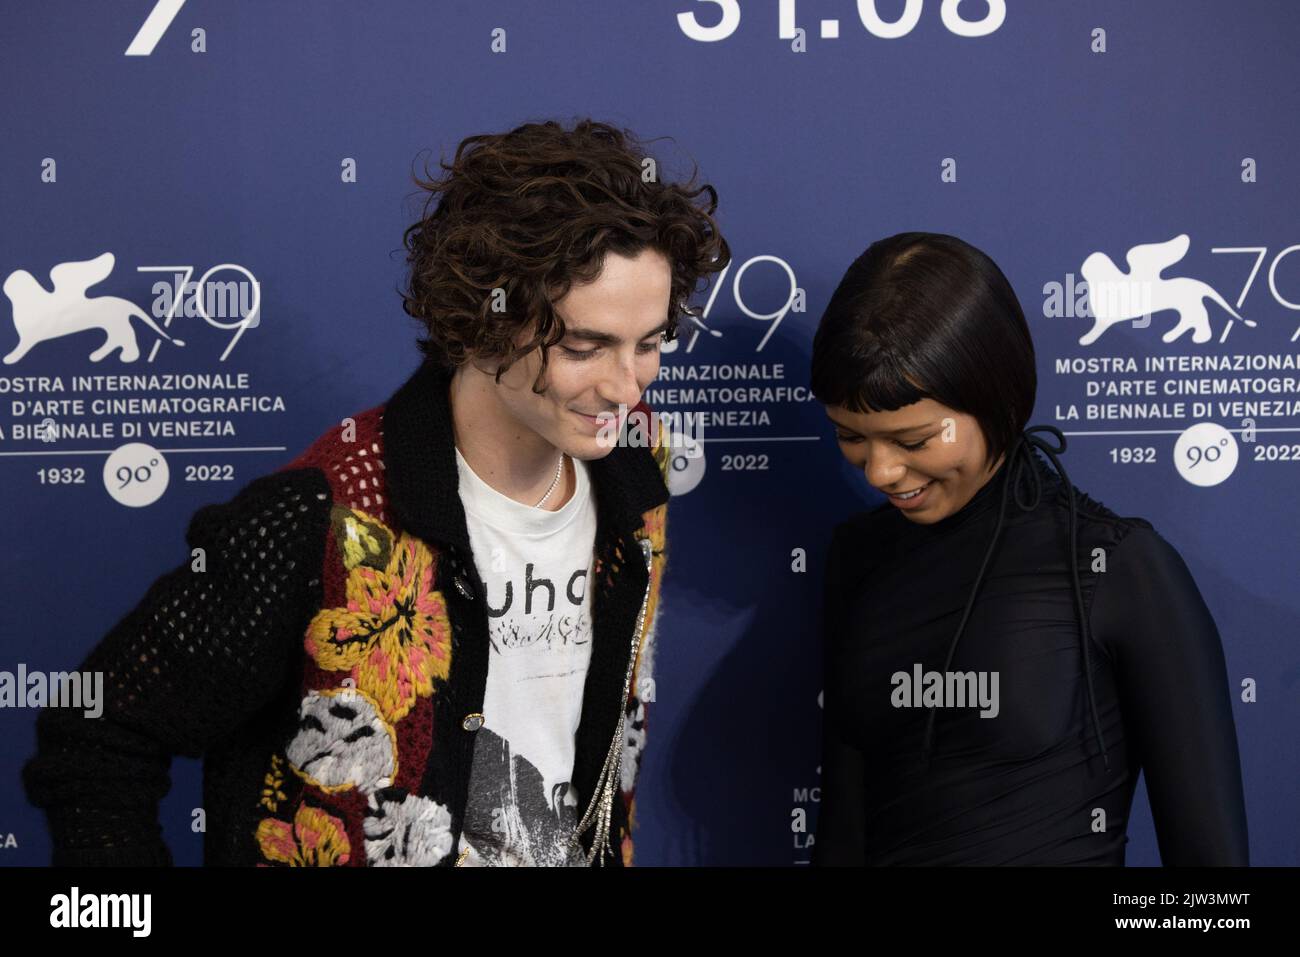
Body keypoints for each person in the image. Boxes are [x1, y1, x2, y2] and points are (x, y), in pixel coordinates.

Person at [22, 117, 730, 867]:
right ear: (482, 323)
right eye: (585, 347)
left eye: (649, 343)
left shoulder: (636, 467)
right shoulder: (322, 515)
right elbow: (95, 733)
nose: (627, 386)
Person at [808, 232, 1249, 866]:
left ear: (998, 399)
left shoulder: (1119, 567)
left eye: (914, 441)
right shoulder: (856, 555)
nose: (879, 472)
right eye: (850, 436)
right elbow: (842, 835)